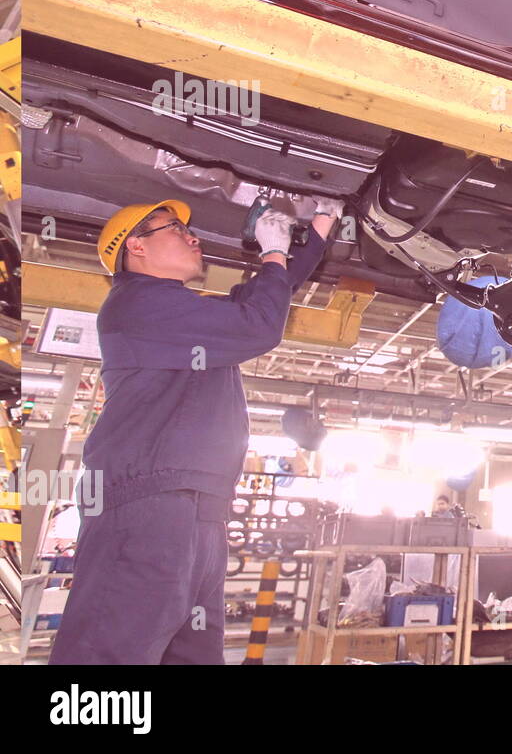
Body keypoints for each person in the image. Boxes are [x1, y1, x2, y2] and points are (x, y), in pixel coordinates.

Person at [49, 196, 341, 664]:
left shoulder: (183, 315)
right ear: (135, 248)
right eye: (174, 229)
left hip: (198, 510)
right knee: (108, 653)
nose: (193, 237)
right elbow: (260, 324)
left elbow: (269, 295)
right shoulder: (136, 304)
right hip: (144, 503)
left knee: (191, 655)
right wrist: (270, 252)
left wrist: (320, 230)